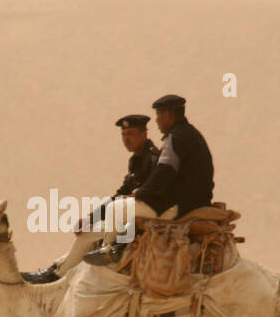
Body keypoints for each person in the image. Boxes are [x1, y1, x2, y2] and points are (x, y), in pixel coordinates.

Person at [21, 113, 162, 283]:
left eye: (130, 134)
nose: (126, 139)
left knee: (88, 235)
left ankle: (57, 275)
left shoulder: (153, 159)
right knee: (90, 229)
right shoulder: (137, 160)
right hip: (126, 214)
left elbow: (144, 195)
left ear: (144, 134)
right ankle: (55, 267)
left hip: (138, 219)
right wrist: (91, 217)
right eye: (123, 135)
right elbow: (121, 193)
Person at [82, 93, 215, 266]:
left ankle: (111, 250)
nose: (157, 121)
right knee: (123, 207)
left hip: (181, 203)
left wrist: (140, 193)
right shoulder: (187, 134)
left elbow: (165, 171)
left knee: (118, 208)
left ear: (167, 115)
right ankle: (116, 247)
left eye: (158, 115)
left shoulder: (175, 138)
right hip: (191, 199)